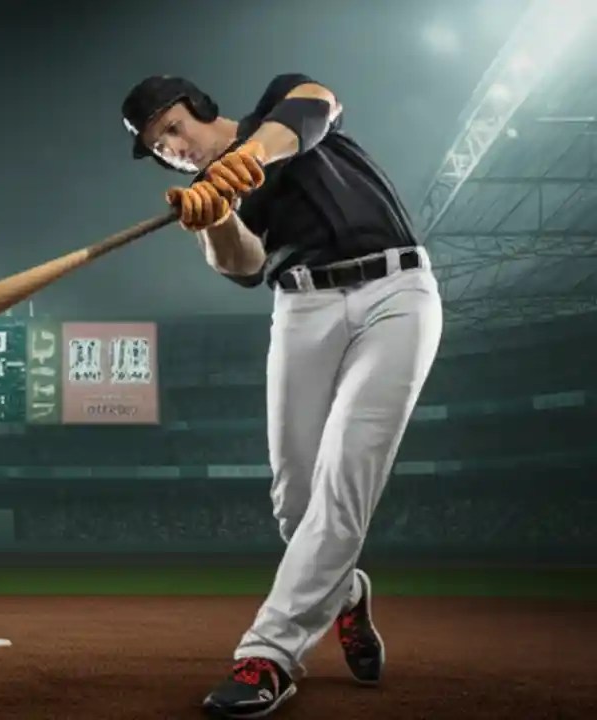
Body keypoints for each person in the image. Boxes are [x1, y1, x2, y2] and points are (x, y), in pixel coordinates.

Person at [120, 73, 444, 717]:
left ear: (201, 107)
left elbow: (315, 106)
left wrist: (246, 160)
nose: (173, 147)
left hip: (395, 293)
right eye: (159, 145)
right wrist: (214, 218)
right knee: (295, 504)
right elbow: (243, 268)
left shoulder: (278, 108)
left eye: (175, 126)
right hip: (301, 306)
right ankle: (345, 592)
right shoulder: (205, 189)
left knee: (344, 477)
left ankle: (268, 656)